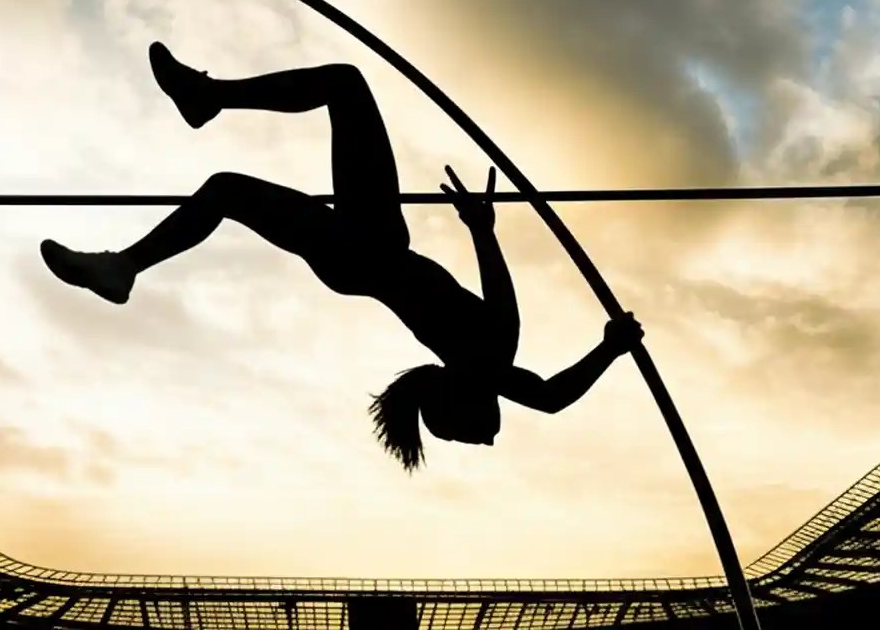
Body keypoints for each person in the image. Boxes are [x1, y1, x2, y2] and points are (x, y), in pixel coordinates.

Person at [41, 41, 645, 472]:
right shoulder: (488, 359)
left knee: (343, 86)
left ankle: (205, 105)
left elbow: (549, 395)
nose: (487, 440)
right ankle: (125, 264)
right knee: (229, 188)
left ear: (461, 399)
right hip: (361, 256)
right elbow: (545, 390)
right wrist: (483, 230)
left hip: (368, 249)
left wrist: (611, 346)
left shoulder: (488, 358)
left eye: (468, 434)